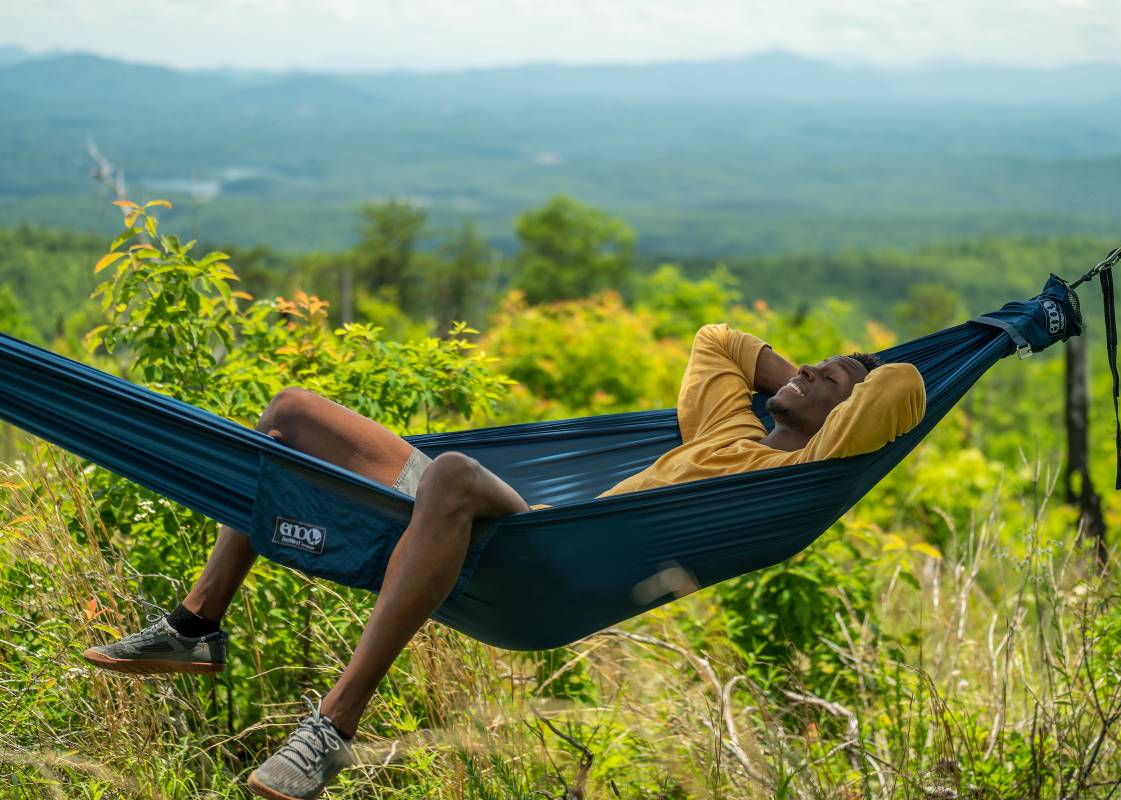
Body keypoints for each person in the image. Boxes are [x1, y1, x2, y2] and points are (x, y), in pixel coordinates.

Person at [83, 323, 925, 800]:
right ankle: (196, 626)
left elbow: (902, 391)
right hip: (525, 528)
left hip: (551, 561)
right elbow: (719, 342)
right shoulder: (727, 431)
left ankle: (331, 728)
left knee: (449, 474)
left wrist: (861, 381)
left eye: (830, 375)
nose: (810, 364)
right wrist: (800, 384)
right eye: (813, 359)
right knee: (293, 417)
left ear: (849, 422)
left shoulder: (792, 477)